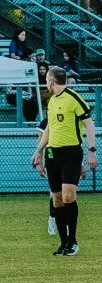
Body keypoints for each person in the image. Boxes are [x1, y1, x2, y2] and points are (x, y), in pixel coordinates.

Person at [34, 66, 95, 256]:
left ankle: (73, 241)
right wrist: (38, 151)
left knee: (69, 196)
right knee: (57, 200)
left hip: (71, 154)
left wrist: (92, 151)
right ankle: (63, 243)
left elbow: (89, 124)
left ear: (52, 81)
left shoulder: (74, 98)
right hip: (53, 154)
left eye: (46, 80)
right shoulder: (51, 102)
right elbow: (49, 130)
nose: (46, 83)